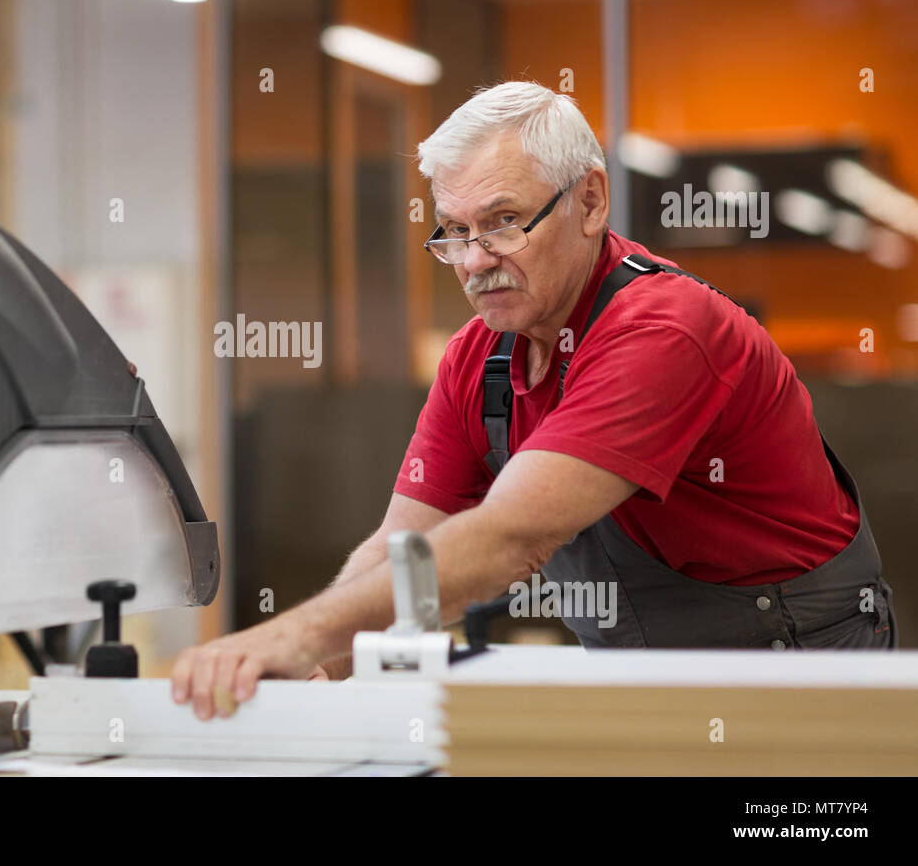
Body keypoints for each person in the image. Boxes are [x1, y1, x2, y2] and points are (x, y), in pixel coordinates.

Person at [171, 81, 897, 721]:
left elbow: (509, 540)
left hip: (797, 689)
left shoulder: (666, 331)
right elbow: (404, 552)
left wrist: (294, 632)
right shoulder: (479, 357)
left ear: (590, 200)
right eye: (454, 233)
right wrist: (311, 667)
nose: (475, 259)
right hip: (647, 696)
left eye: (502, 221)